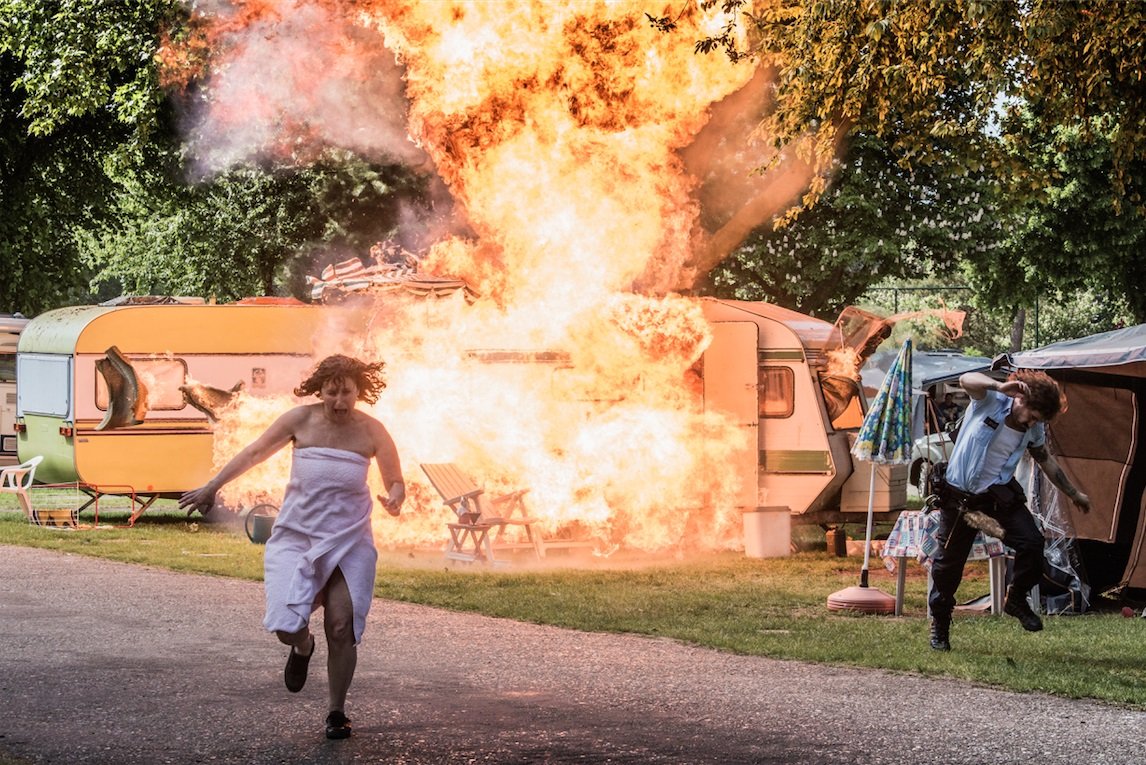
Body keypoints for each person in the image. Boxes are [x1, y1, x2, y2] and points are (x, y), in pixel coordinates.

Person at [179, 354, 405, 739]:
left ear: (358, 392)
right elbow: (253, 453)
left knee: (341, 624)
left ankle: (336, 711)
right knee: (287, 625)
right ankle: (302, 647)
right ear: (320, 390)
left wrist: (396, 497)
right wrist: (212, 486)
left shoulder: (373, 431)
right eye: (332, 393)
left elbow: (395, 479)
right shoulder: (299, 420)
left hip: (349, 539)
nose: (339, 402)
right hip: (297, 535)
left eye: (347, 393)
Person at [927, 370, 1091, 651]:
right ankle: (940, 626)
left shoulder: (1034, 429)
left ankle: (1016, 599)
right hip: (960, 499)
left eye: (1038, 420)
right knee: (947, 568)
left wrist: (1073, 493)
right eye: (1033, 415)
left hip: (996, 499)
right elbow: (967, 379)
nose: (1032, 422)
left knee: (1032, 543)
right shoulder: (990, 400)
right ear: (1022, 398)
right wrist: (998, 385)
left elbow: (1046, 461)